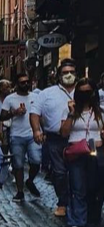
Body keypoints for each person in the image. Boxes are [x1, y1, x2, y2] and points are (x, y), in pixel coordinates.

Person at [29, 59, 77, 217]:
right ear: (58, 75)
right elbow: (35, 112)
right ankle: (63, 202)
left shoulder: (83, 91)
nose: (68, 75)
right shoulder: (46, 94)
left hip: (79, 137)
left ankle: (79, 202)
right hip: (55, 139)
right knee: (59, 172)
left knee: (79, 172)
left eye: (71, 72)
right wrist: (37, 130)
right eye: (65, 73)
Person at [59, 77, 104, 227]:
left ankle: (92, 221)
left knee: (95, 187)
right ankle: (77, 222)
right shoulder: (71, 111)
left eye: (88, 92)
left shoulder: (100, 112)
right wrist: (71, 115)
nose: (85, 95)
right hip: (77, 152)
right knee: (78, 187)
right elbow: (64, 132)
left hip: (96, 151)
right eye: (82, 92)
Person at [1, 74, 40, 202]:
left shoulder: (36, 97)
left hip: (32, 134)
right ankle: (20, 191)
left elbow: (41, 115)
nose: (26, 84)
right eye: (22, 83)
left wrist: (41, 131)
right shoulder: (10, 99)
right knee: (18, 165)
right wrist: (15, 112)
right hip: (16, 135)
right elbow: (2, 117)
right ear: (17, 84)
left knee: (36, 161)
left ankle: (30, 180)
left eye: (27, 82)